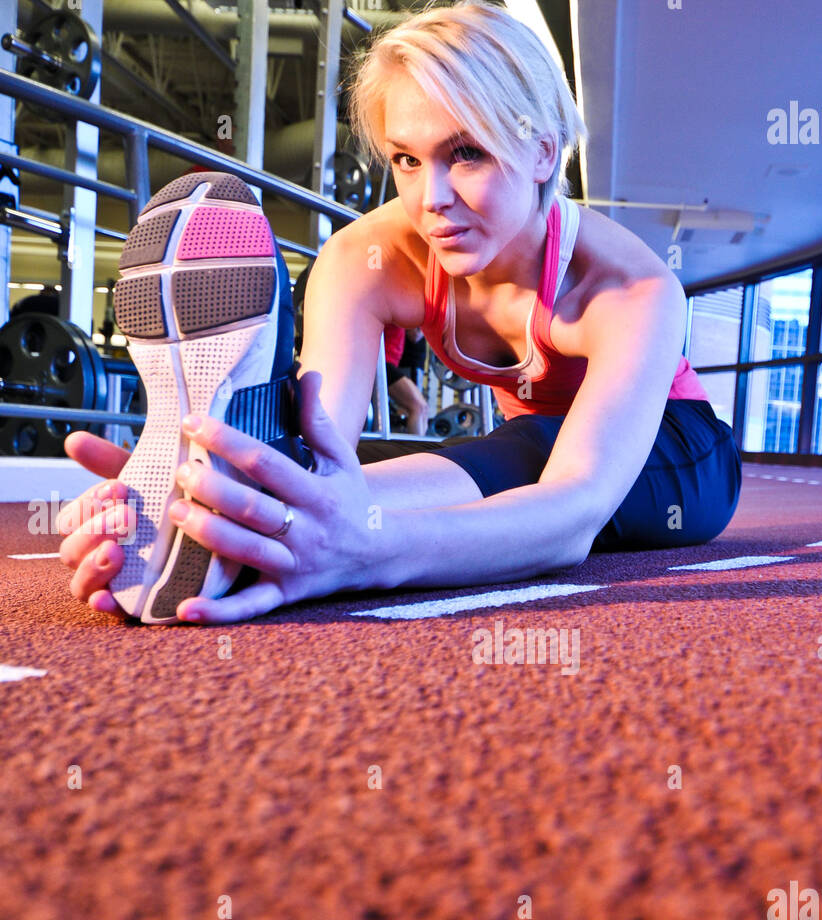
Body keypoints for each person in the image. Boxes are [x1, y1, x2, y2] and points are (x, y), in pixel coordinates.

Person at [56, 0, 741, 625]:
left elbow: (571, 515)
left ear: (541, 150)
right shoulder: (365, 258)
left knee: (523, 458)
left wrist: (366, 549)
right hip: (521, 447)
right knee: (366, 472)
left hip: (679, 455)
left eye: (465, 153)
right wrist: (196, 495)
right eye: (406, 160)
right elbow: (325, 448)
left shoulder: (629, 287)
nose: (430, 197)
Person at [383, 322, 430, 435]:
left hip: (389, 364)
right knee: (418, 407)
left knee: (422, 408)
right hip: (383, 364)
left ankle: (423, 449)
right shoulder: (397, 308)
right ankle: (417, 450)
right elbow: (414, 335)